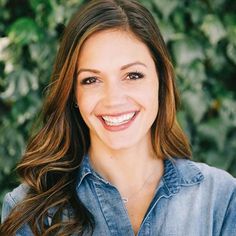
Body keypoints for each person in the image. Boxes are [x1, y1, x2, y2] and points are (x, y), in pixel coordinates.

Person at [1, 0, 235, 235]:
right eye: (91, 80)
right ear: (73, 93)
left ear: (161, 80)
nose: (113, 100)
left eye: (133, 75)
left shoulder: (221, 199)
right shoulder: (30, 212)